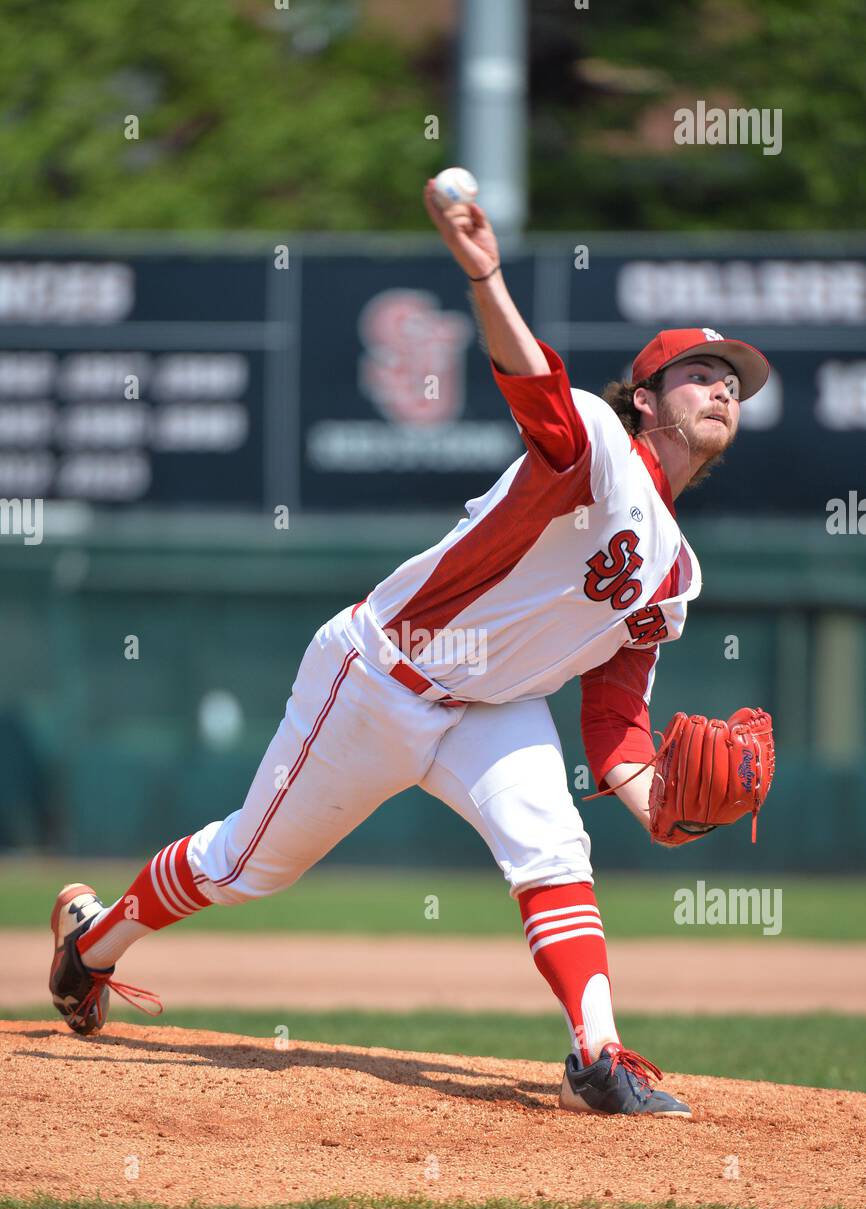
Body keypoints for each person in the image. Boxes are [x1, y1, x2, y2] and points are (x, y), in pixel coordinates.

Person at [49, 182, 770, 1119]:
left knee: (555, 846)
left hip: (495, 707)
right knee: (244, 869)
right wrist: (484, 275)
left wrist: (660, 806)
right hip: (380, 675)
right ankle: (90, 948)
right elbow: (535, 383)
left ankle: (599, 1056)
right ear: (644, 397)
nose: (722, 389)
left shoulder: (676, 576)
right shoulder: (595, 446)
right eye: (700, 374)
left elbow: (616, 717)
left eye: (733, 384)